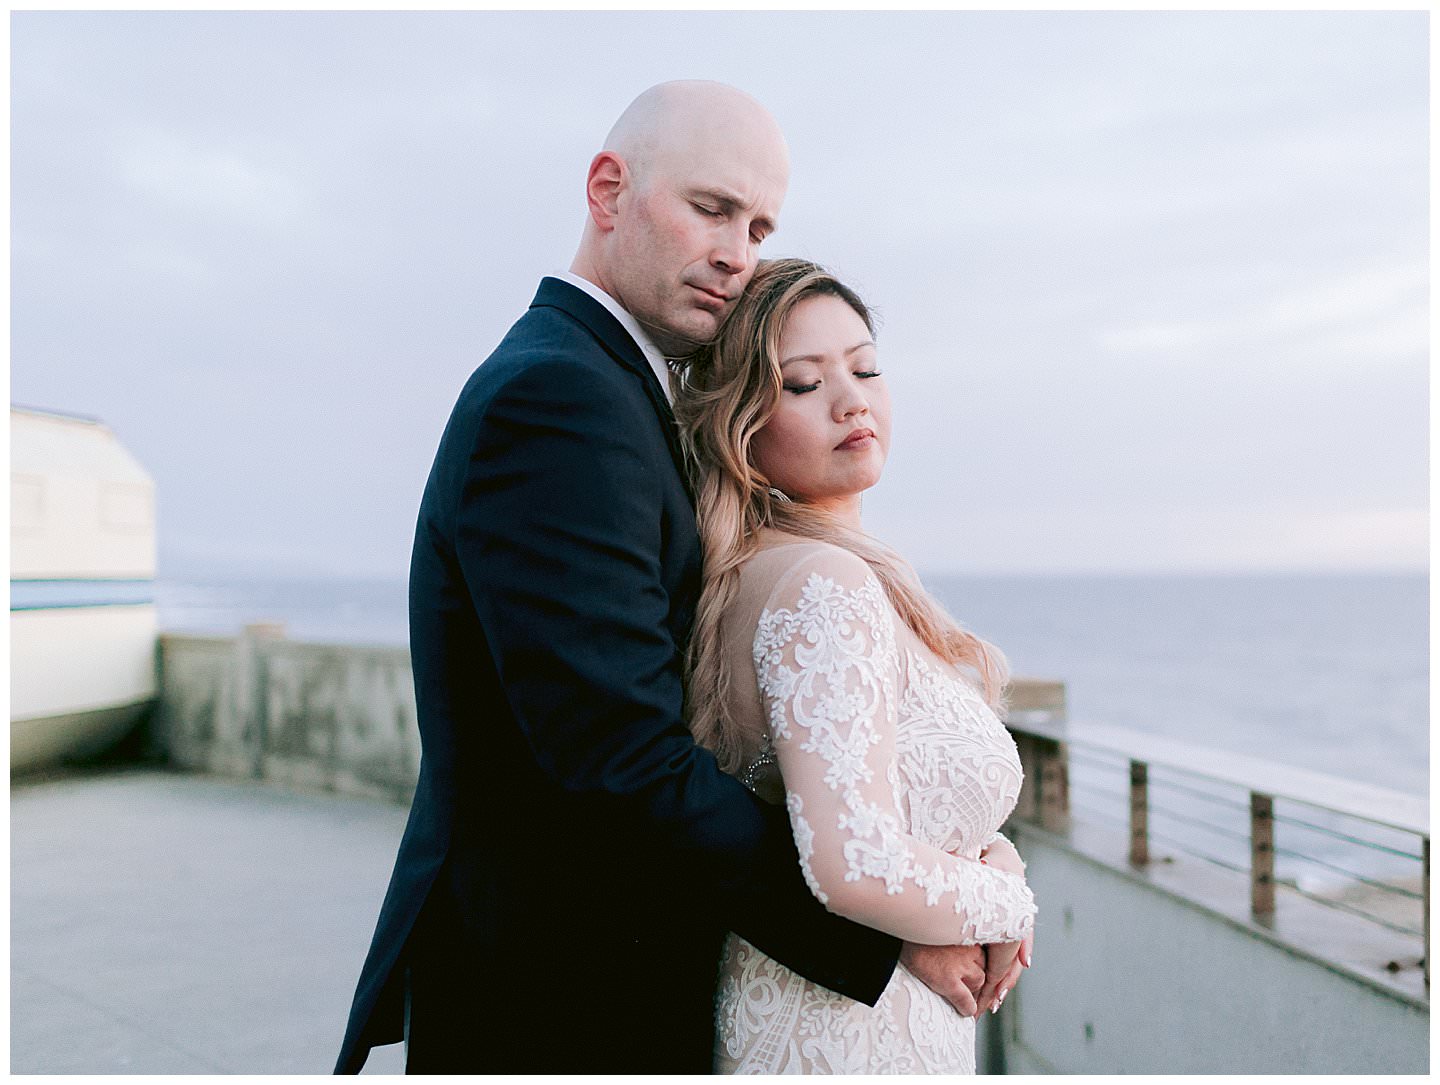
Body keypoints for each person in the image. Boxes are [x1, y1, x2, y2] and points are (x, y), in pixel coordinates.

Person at [333, 82, 1002, 1075]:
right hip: (562, 1001)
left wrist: (952, 867)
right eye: (713, 208)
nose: (741, 251)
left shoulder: (617, 391)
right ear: (609, 191)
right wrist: (888, 924)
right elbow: (619, 757)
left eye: (762, 222)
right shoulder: (559, 399)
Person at [668, 257, 1038, 1074]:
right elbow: (855, 863)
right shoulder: (818, 586)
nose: (852, 399)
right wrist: (1010, 902)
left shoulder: (775, 576)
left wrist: (993, 853)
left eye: (866, 367)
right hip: (846, 1040)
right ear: (740, 423)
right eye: (803, 383)